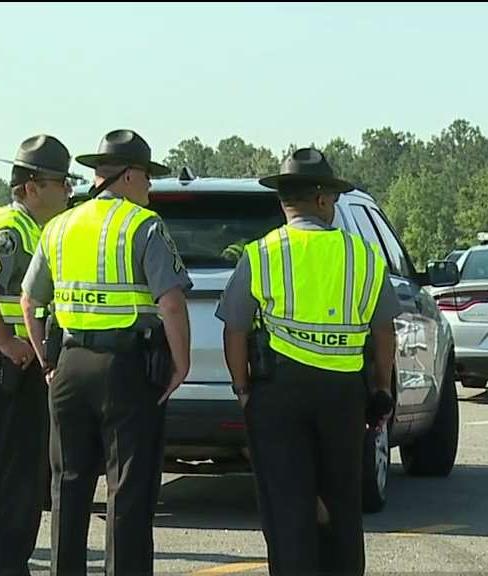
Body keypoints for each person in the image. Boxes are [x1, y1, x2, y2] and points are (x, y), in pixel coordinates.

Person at [216, 148, 400, 575]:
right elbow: (384, 331)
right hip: (342, 395)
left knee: (286, 504)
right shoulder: (363, 254)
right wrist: (380, 389)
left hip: (278, 393)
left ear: (284, 200)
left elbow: (235, 330)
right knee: (342, 501)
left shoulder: (261, 253)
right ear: (320, 199)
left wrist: (243, 389)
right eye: (333, 198)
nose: (334, 206)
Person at [21, 129, 192, 575]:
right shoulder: (143, 225)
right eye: (148, 178)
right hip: (126, 369)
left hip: (70, 366)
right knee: (128, 489)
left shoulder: (58, 226)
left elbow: (28, 300)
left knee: (69, 486)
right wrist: (181, 363)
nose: (150, 187)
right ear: (130, 176)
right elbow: (171, 302)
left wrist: (46, 361)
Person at [0, 134, 72, 575]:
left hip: (19, 363)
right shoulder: (11, 228)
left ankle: (11, 566)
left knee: (26, 481)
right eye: (58, 182)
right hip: (4, 365)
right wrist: (7, 339)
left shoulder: (42, 227)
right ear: (30, 187)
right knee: (12, 481)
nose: (67, 190)